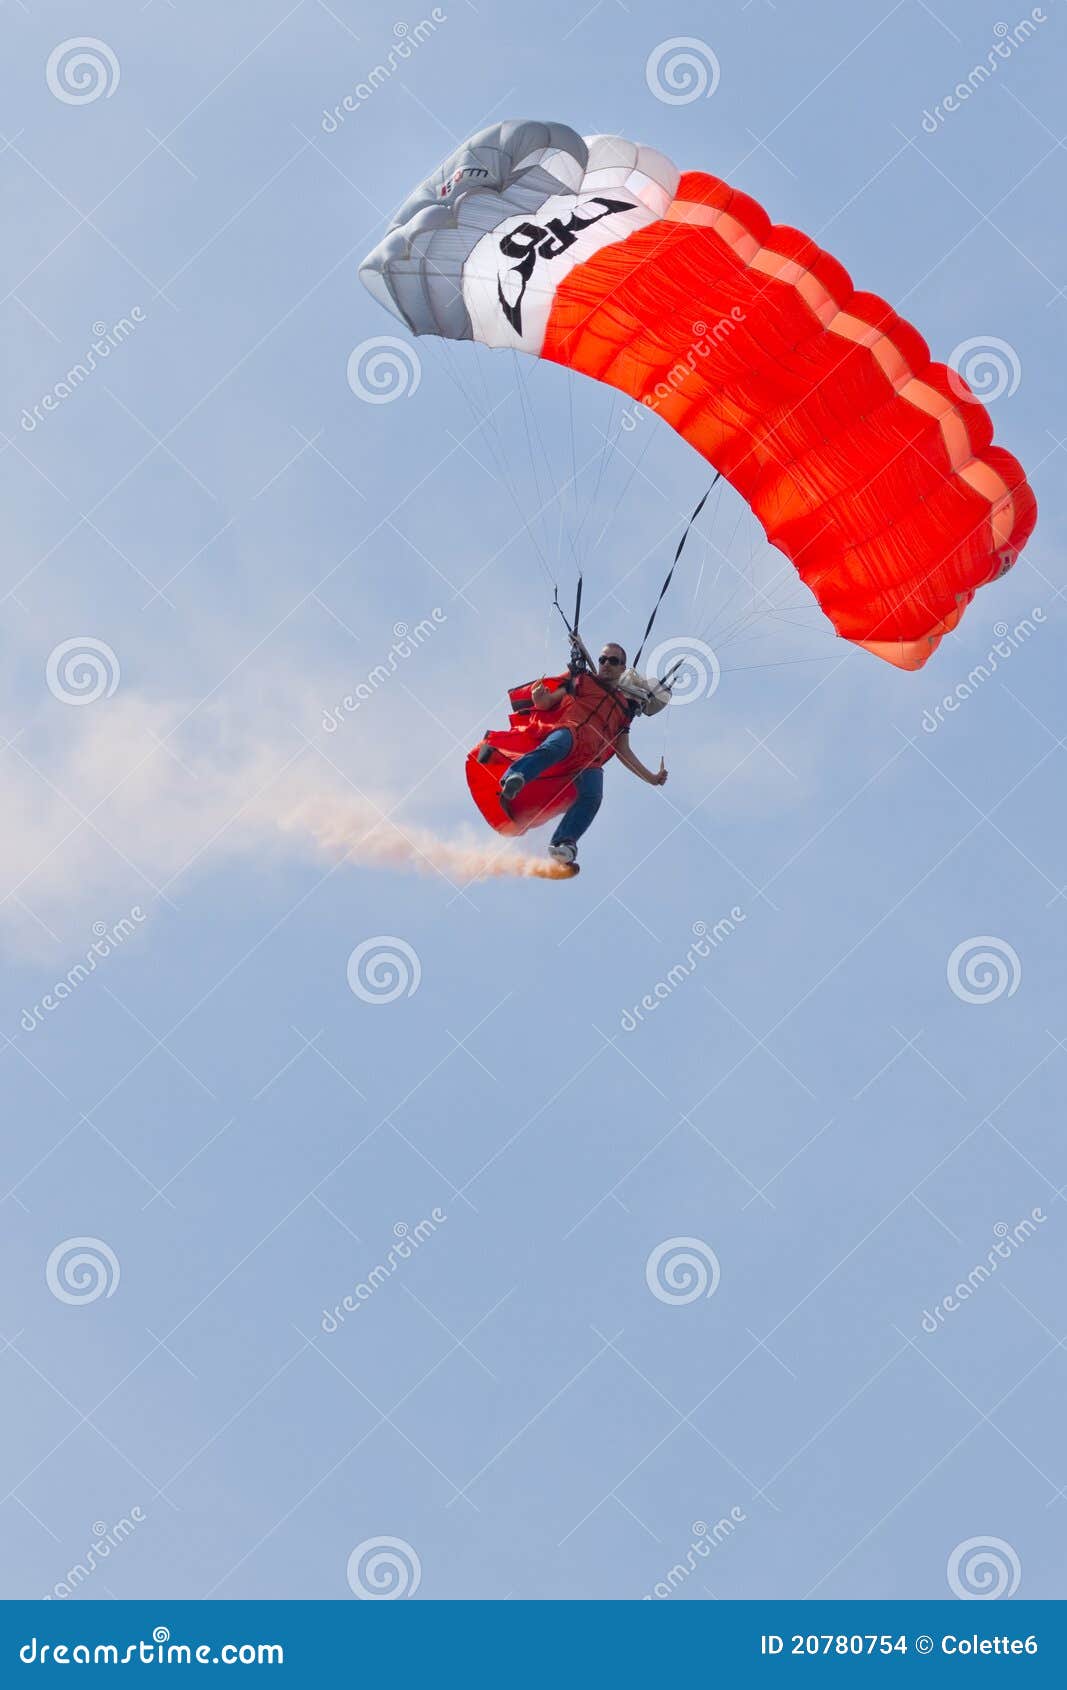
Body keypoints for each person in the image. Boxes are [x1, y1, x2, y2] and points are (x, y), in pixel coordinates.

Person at [499, 643, 668, 865]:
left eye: (613, 661)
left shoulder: (624, 712)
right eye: (603, 659)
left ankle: (563, 843)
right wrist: (538, 697)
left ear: (622, 668)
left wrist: (652, 778)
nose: (606, 664)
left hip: (590, 759)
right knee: (554, 748)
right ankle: (514, 778)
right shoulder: (583, 681)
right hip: (571, 732)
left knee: (593, 796)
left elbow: (623, 751)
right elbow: (547, 702)